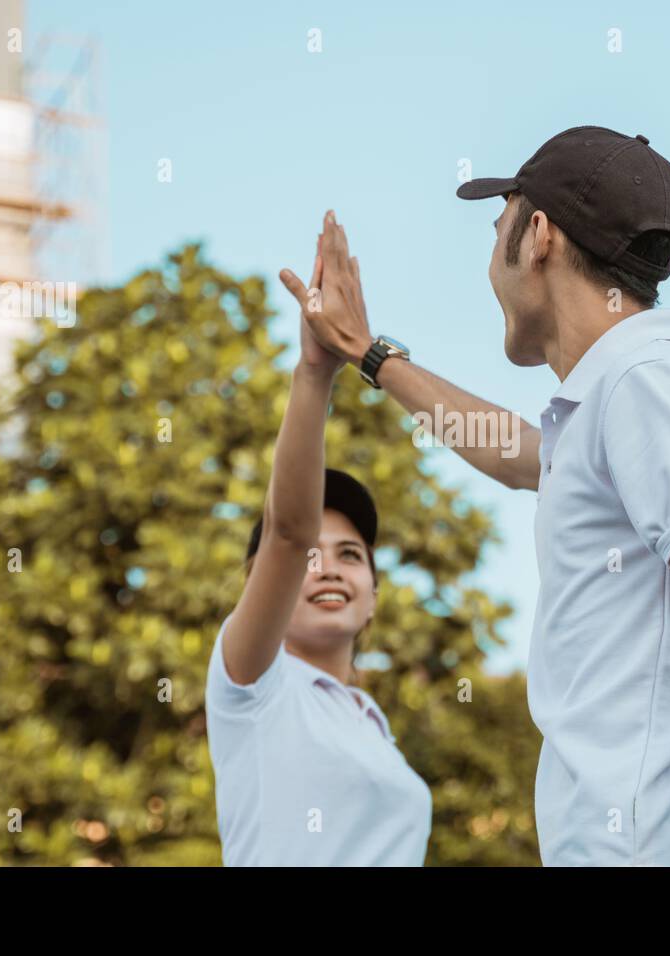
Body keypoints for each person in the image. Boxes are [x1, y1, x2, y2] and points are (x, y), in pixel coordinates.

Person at [294, 126, 670, 866]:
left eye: (497, 222)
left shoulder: (645, 385)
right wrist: (368, 354)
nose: (490, 255)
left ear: (536, 234)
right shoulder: (613, 398)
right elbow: (516, 454)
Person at [204, 240, 431, 866]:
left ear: (375, 596)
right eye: (312, 557)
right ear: (262, 583)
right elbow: (287, 533)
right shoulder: (253, 684)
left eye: (352, 555)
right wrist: (316, 371)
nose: (327, 566)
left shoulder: (371, 724)